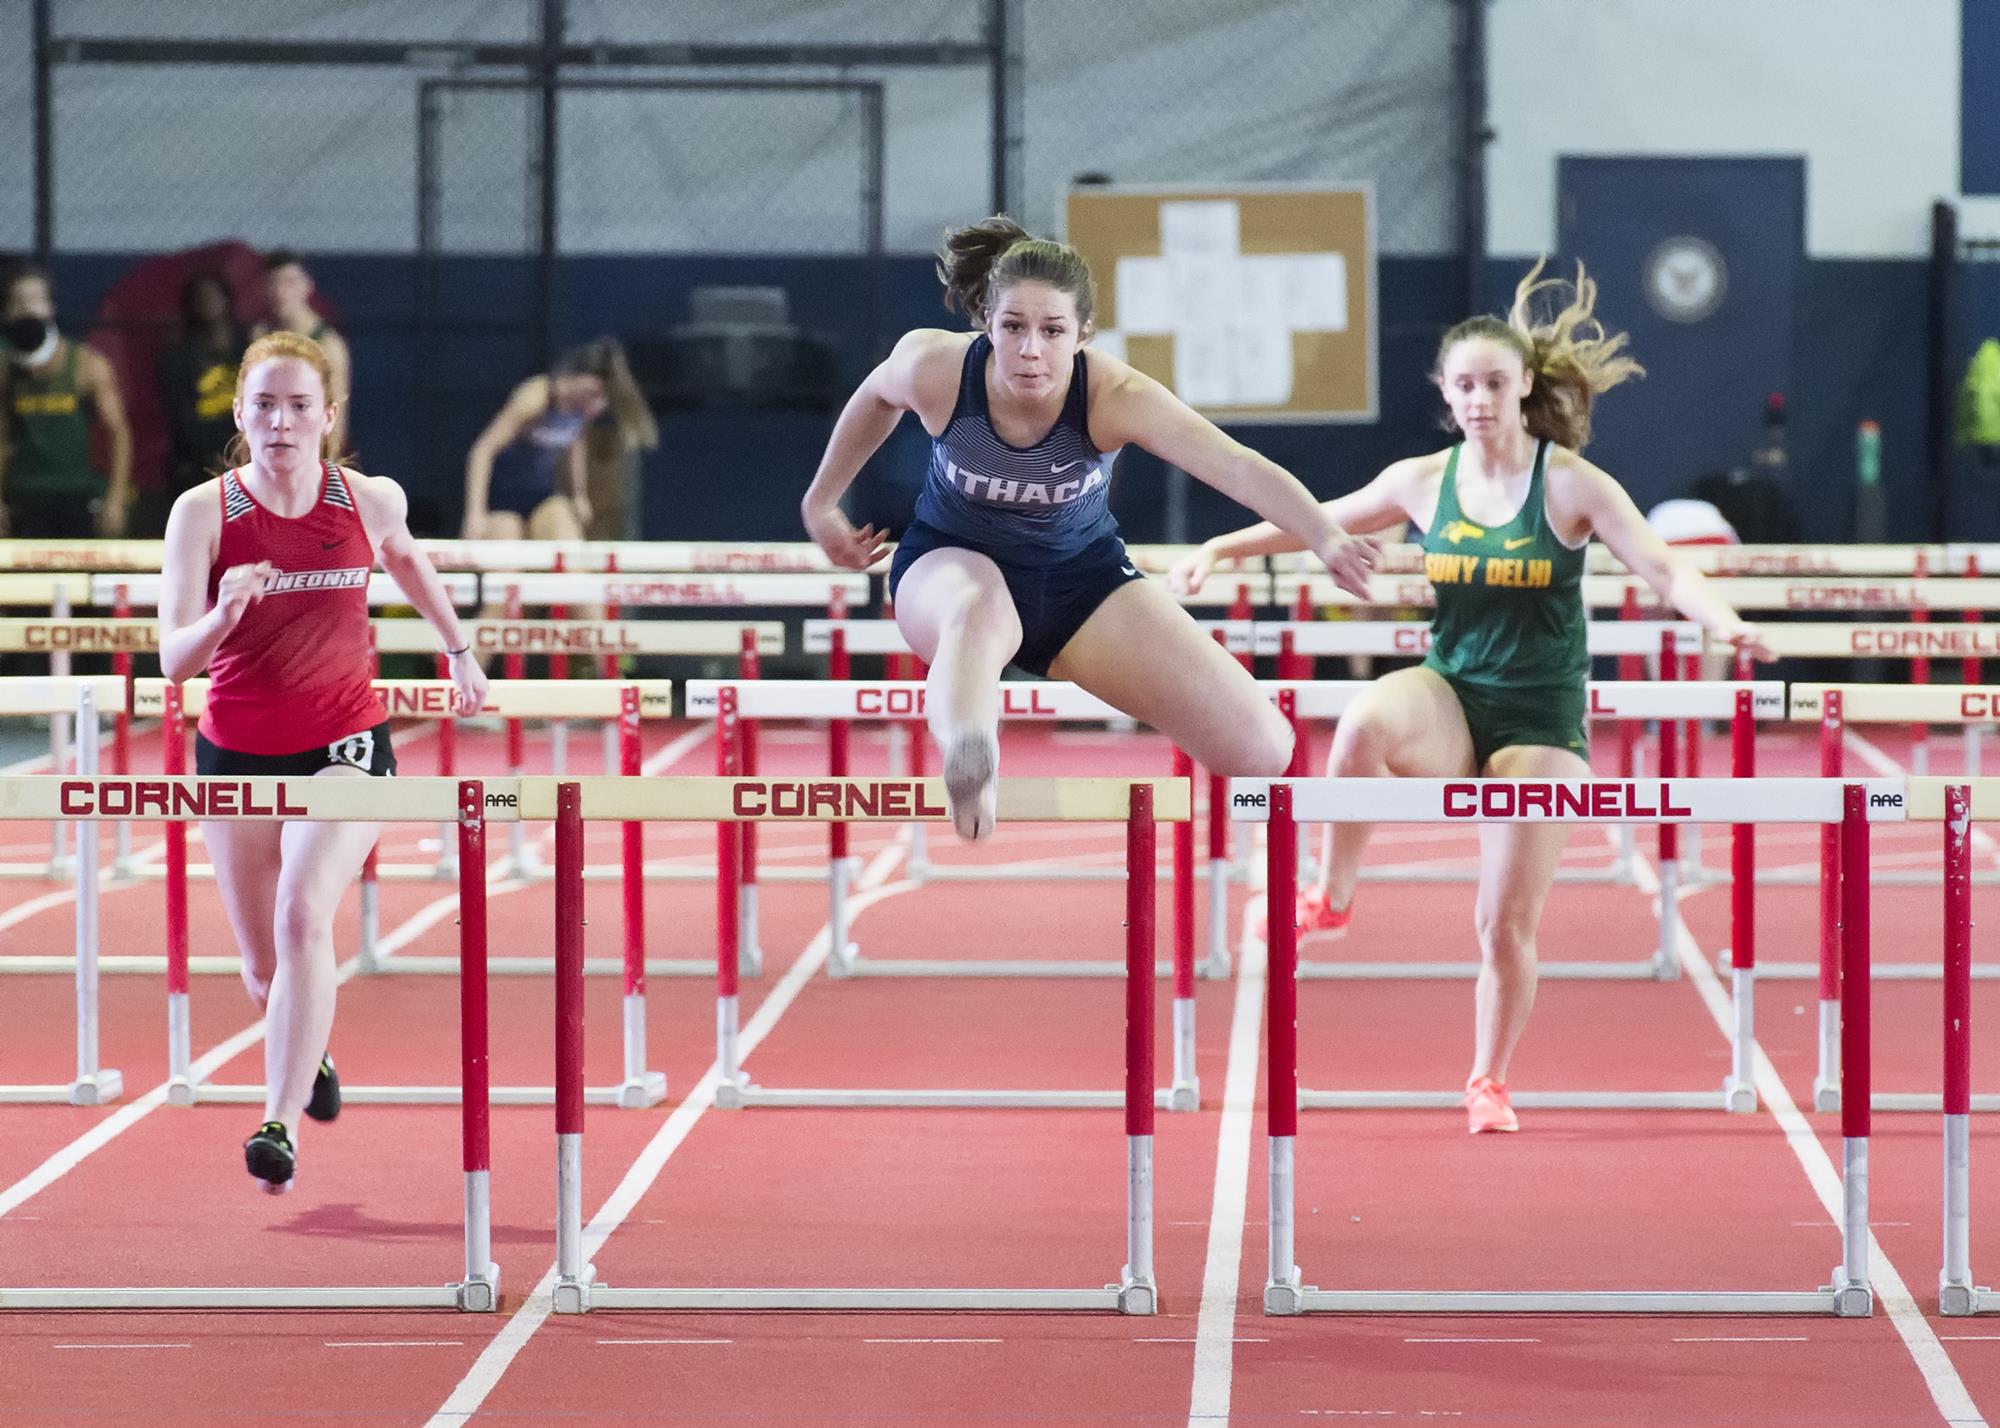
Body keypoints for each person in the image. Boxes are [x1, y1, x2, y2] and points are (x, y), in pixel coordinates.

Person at [1171, 260, 1774, 1135]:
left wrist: (1723, 624)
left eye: (1496, 382)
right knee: (1364, 721)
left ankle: (1488, 1080)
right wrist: (1223, 549)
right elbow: (1319, 520)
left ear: (1525, 384)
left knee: (1501, 923)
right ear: (1447, 395)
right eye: (1465, 385)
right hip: (1451, 690)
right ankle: (1332, 897)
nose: (1481, 399)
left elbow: (1664, 565)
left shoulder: (1571, 484)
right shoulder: (1424, 480)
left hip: (1540, 719)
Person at [800, 215, 1378, 840]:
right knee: (978, 604)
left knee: (1262, 749)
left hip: (1080, 581)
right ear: (985, 324)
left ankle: (979, 719)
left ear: (1082, 334)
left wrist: (1325, 534)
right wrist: (822, 502)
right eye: (1012, 328)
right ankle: (970, 749)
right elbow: (875, 398)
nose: (1029, 351)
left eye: (1051, 332)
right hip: (948, 563)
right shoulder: (936, 368)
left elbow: (1235, 465)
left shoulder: (1115, 395)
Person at [158, 331, 486, 1192]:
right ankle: (308, 1052)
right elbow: (172, 661)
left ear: (328, 418)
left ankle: (276, 1121)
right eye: (264, 405)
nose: (281, 422)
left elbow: (410, 560)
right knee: (264, 966)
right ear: (239, 415)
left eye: (300, 406)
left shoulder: (368, 500)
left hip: (345, 744)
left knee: (305, 913)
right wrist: (222, 617)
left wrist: (458, 652)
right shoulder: (204, 512)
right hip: (235, 752)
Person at [461, 338, 657, 543]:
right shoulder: (534, 399)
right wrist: (475, 514)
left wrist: (579, 495)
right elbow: (482, 451)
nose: (594, 407)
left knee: (565, 532)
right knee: (507, 538)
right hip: (502, 500)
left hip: (542, 496)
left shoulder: (581, 410)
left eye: (600, 398)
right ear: (574, 378)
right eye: (592, 394)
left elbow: (576, 444)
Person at [0, 263, 134, 537]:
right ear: (7, 310)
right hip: (22, 493)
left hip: (75, 492)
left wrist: (116, 499)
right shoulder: (4, 369)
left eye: (35, 300)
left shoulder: (87, 364)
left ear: (50, 307)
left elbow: (119, 432)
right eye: (19, 301)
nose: (27, 309)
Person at [153, 271, 245, 529]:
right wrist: (212, 458)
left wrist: (240, 452)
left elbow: (260, 407)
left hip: (246, 454)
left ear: (227, 300)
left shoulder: (249, 350)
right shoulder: (175, 359)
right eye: (201, 297)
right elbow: (182, 419)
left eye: (214, 295)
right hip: (195, 464)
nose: (209, 302)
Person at [250, 251, 352, 454]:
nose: (281, 292)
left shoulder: (329, 347)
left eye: (290, 282)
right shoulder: (259, 336)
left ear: (307, 286)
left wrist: (321, 472)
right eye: (274, 283)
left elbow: (335, 424)